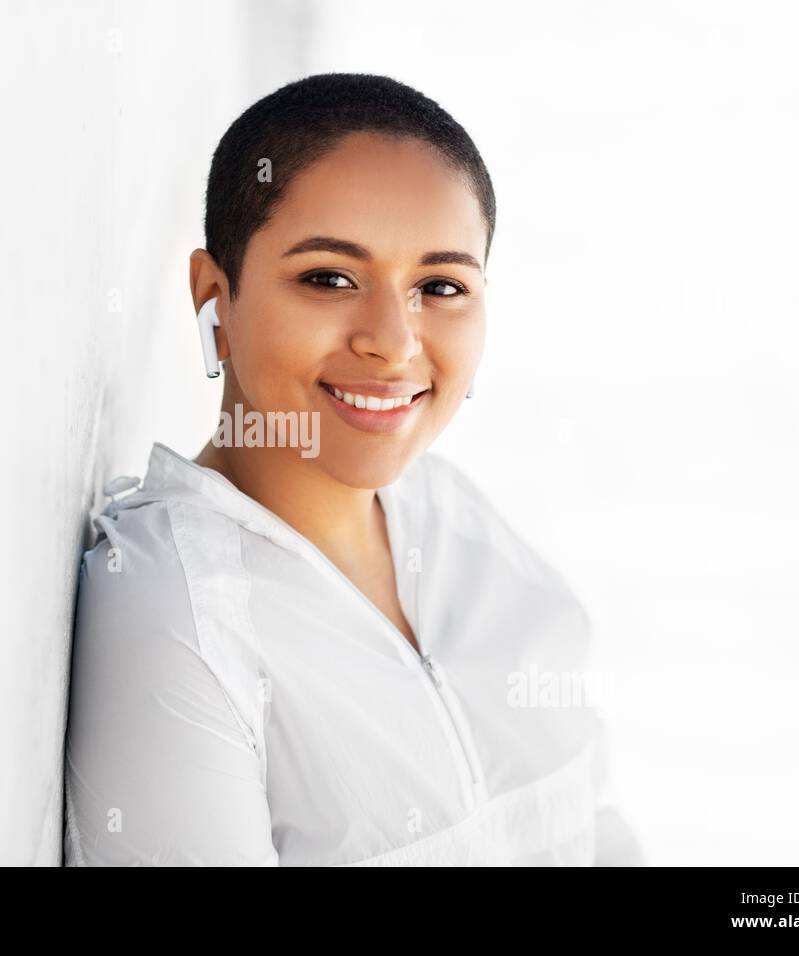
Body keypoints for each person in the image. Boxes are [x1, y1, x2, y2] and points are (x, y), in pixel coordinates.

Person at [64, 72, 646, 866]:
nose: (393, 341)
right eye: (329, 278)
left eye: (439, 286)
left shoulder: (459, 521)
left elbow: (599, 830)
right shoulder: (180, 611)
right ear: (214, 299)